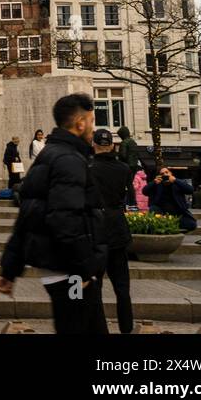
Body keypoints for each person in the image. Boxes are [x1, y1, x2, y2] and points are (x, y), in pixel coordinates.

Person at [0, 93, 108, 335]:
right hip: (72, 276)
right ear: (80, 123)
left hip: (63, 272)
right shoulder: (69, 160)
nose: (93, 127)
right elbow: (65, 219)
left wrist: (9, 269)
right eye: (91, 120)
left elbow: (27, 217)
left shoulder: (48, 155)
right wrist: (82, 270)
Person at [89, 128, 134, 334]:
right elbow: (128, 196)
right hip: (117, 227)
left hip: (95, 229)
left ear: (94, 145)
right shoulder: (124, 169)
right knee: (122, 287)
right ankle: (126, 329)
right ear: (113, 146)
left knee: (93, 288)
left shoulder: (86, 168)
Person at [144, 166, 197, 232]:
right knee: (153, 209)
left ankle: (168, 225)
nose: (165, 175)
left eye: (167, 172)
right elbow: (144, 191)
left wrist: (175, 180)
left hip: (177, 215)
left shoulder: (177, 183)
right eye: (162, 174)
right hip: (161, 215)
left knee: (191, 224)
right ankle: (167, 224)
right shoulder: (157, 184)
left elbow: (190, 190)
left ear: (171, 173)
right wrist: (153, 183)